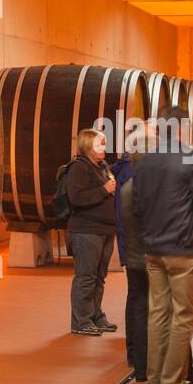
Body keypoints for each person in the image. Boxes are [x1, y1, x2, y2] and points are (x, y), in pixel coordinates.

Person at [133, 105, 193, 384]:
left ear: (158, 129)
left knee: (158, 313)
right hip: (182, 247)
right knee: (183, 315)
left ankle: (155, 380)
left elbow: (138, 206)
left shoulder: (143, 162)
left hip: (152, 247)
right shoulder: (190, 158)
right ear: (181, 129)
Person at [65, 129, 118, 336]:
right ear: (88, 146)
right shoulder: (79, 167)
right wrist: (104, 190)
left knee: (99, 277)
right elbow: (76, 198)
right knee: (86, 277)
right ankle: (81, 321)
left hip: (104, 230)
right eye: (100, 144)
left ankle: (96, 315)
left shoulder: (102, 167)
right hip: (86, 231)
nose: (104, 148)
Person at [110, 151, 148, 382]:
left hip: (132, 250)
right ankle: (142, 360)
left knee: (136, 300)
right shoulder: (138, 183)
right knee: (143, 304)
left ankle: (136, 357)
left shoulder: (126, 181)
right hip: (142, 253)